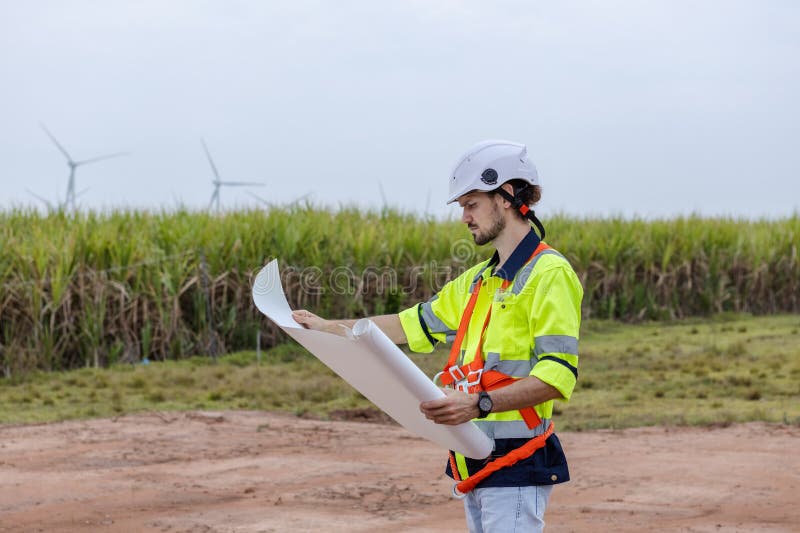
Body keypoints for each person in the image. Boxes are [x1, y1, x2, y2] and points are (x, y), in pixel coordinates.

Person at [292, 139, 583, 532]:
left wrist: (477, 404)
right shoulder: (478, 281)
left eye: (471, 204)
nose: (464, 217)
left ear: (508, 196)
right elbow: (405, 324)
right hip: (472, 456)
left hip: (517, 463)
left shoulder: (550, 275)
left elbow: (557, 375)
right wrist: (327, 327)